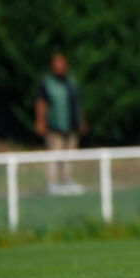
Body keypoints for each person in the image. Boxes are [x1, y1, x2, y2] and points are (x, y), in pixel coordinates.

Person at [35, 53, 87, 195]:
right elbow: (41, 103)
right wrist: (40, 122)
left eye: (61, 64)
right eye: (56, 65)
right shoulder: (47, 83)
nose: (59, 67)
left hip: (71, 126)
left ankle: (66, 181)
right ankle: (51, 183)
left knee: (69, 155)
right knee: (54, 154)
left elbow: (77, 103)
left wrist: (81, 121)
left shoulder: (71, 81)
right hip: (55, 126)